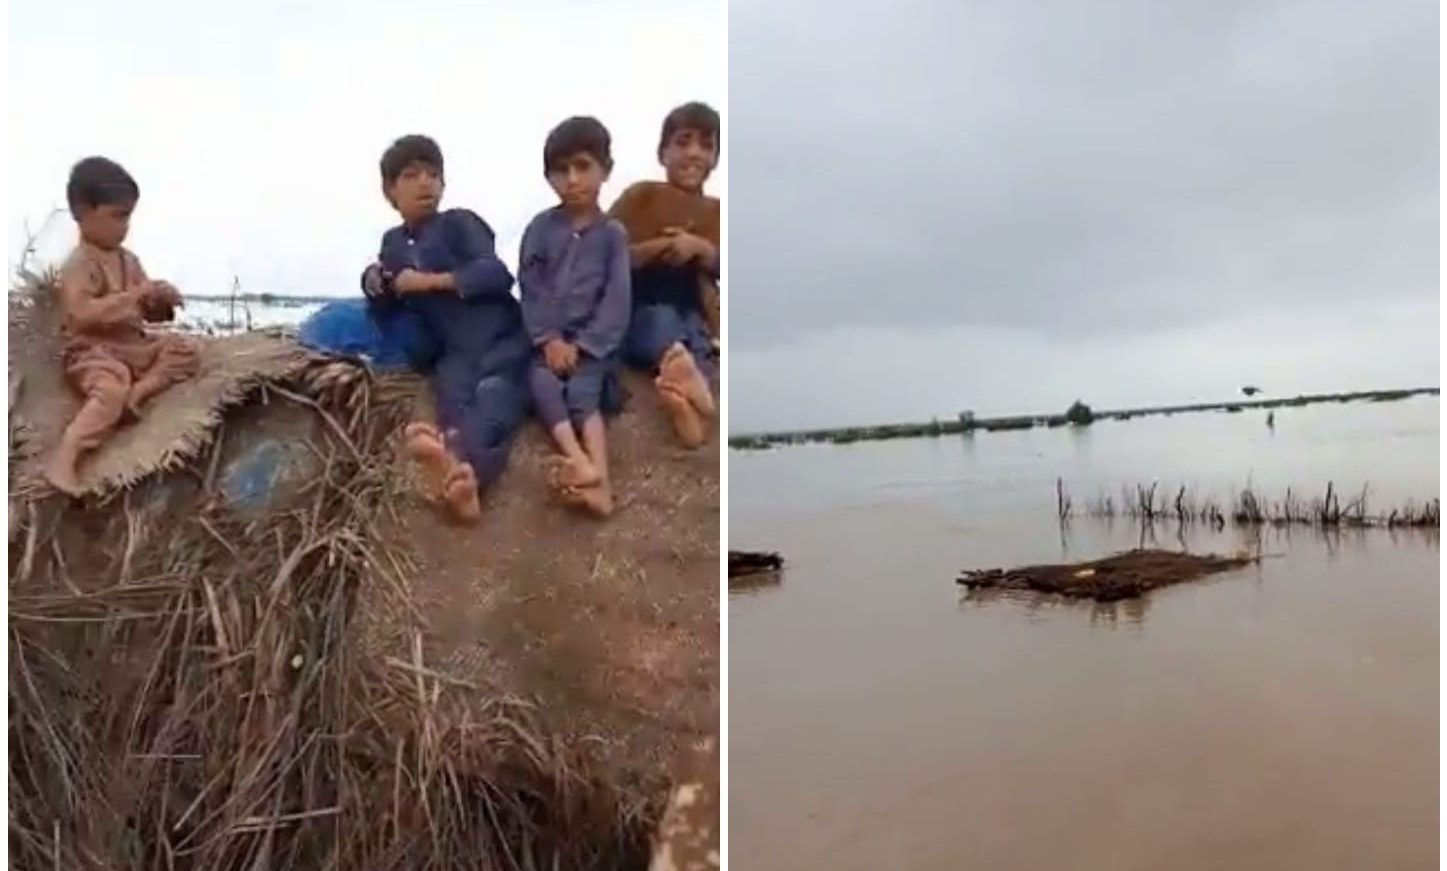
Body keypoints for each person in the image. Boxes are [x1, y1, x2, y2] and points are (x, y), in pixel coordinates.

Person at [361, 135, 531, 525]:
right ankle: (451, 462)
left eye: (434, 175)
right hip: (454, 352)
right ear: (390, 191)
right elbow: (387, 293)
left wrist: (429, 281)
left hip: (500, 339)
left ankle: (470, 476)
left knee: (495, 400)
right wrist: (374, 281)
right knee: (452, 404)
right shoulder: (393, 242)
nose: (426, 183)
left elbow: (496, 274)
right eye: (412, 175)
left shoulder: (459, 223)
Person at [44, 156, 199, 496]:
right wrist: (135, 295)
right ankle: (66, 456)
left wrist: (160, 301)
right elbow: (81, 314)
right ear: (83, 212)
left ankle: (138, 395)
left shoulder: (129, 261)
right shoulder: (79, 263)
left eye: (128, 217)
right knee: (109, 387)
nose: (125, 226)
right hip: (92, 351)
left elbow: (148, 313)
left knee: (183, 349)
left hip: (132, 346)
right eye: (117, 216)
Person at [519, 117, 630, 516]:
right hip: (549, 345)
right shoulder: (539, 229)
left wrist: (584, 346)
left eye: (583, 167)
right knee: (541, 384)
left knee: (585, 395)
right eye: (561, 171)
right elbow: (529, 288)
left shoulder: (613, 234)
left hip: (592, 346)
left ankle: (601, 482)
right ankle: (577, 460)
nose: (572, 179)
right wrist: (548, 339)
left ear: (606, 170)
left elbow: (617, 299)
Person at [608, 101, 721, 448]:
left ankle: (686, 405)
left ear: (716, 158)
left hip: (695, 313)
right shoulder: (641, 195)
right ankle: (679, 372)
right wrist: (661, 246)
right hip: (644, 305)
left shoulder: (718, 212)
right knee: (661, 325)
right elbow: (608, 254)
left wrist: (701, 249)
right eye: (683, 142)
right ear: (663, 153)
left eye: (706, 146)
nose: (694, 154)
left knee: (700, 346)